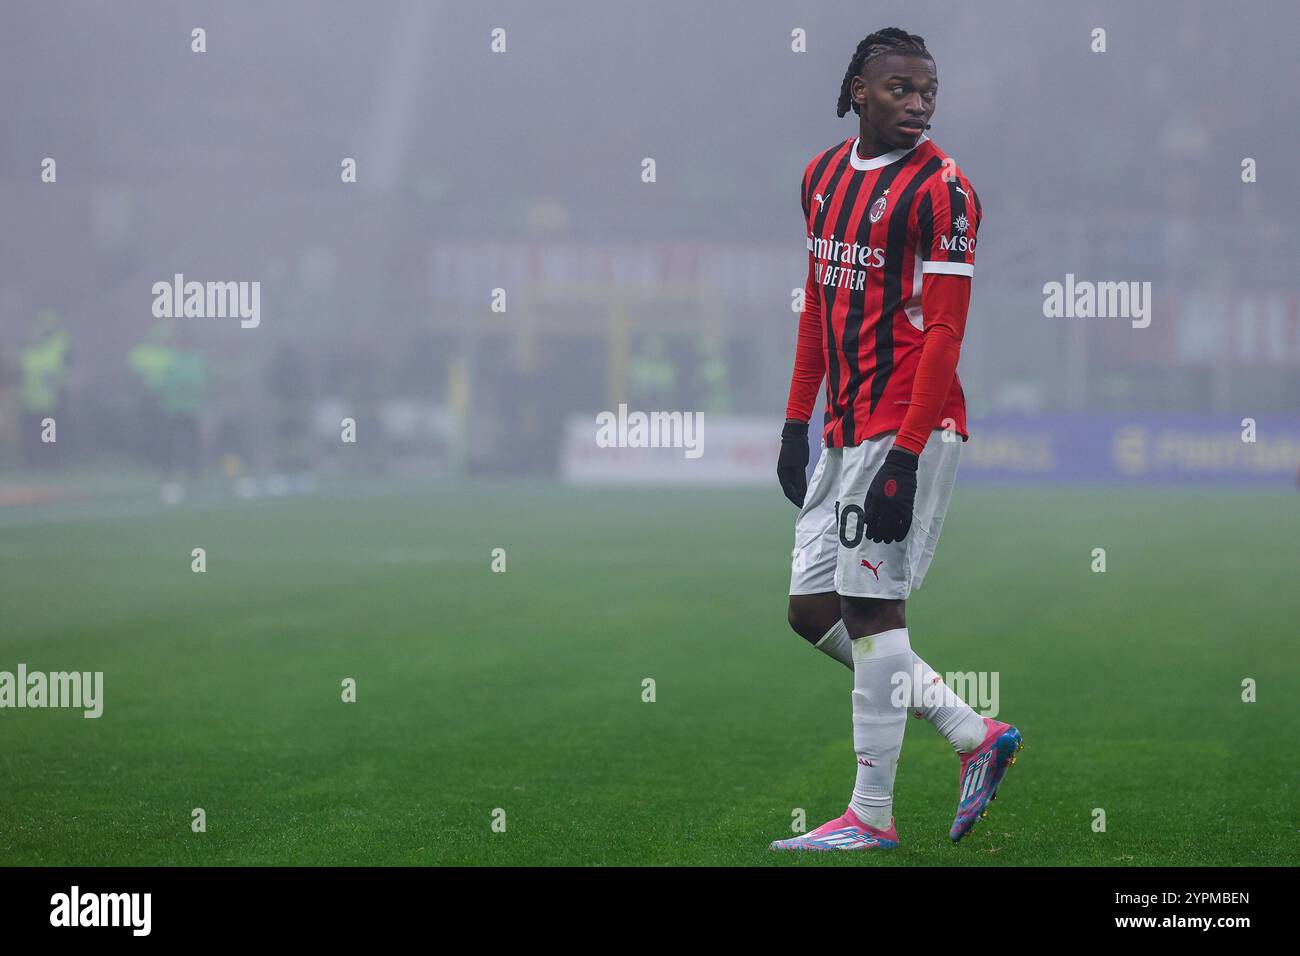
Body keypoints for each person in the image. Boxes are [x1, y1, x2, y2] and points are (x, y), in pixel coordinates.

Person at [769, 28, 1022, 852]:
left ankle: (870, 815)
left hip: (909, 421)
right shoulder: (819, 176)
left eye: (928, 92)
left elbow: (946, 331)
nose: (917, 104)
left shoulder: (946, 191)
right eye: (899, 90)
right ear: (857, 92)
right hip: (844, 425)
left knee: (874, 613)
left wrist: (907, 456)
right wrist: (795, 419)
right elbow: (818, 303)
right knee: (812, 611)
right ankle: (972, 734)